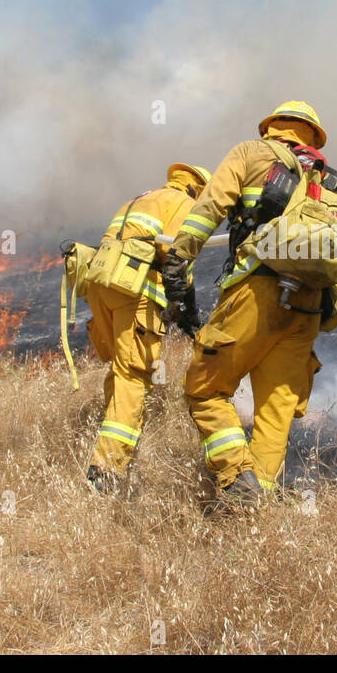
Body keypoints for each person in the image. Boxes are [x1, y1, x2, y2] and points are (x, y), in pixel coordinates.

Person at [163, 101, 335, 503]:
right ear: (312, 134)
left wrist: (180, 256)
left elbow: (210, 207)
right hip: (309, 304)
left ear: (271, 128)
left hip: (257, 291)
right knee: (276, 410)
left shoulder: (249, 152)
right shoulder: (328, 179)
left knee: (205, 389)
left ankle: (237, 477)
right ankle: (257, 507)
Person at [84, 163, 212, 493]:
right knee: (134, 375)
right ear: (198, 190)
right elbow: (175, 256)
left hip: (101, 285)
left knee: (120, 369)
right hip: (132, 291)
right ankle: (107, 469)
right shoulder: (184, 204)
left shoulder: (142, 199)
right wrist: (190, 316)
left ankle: (110, 437)